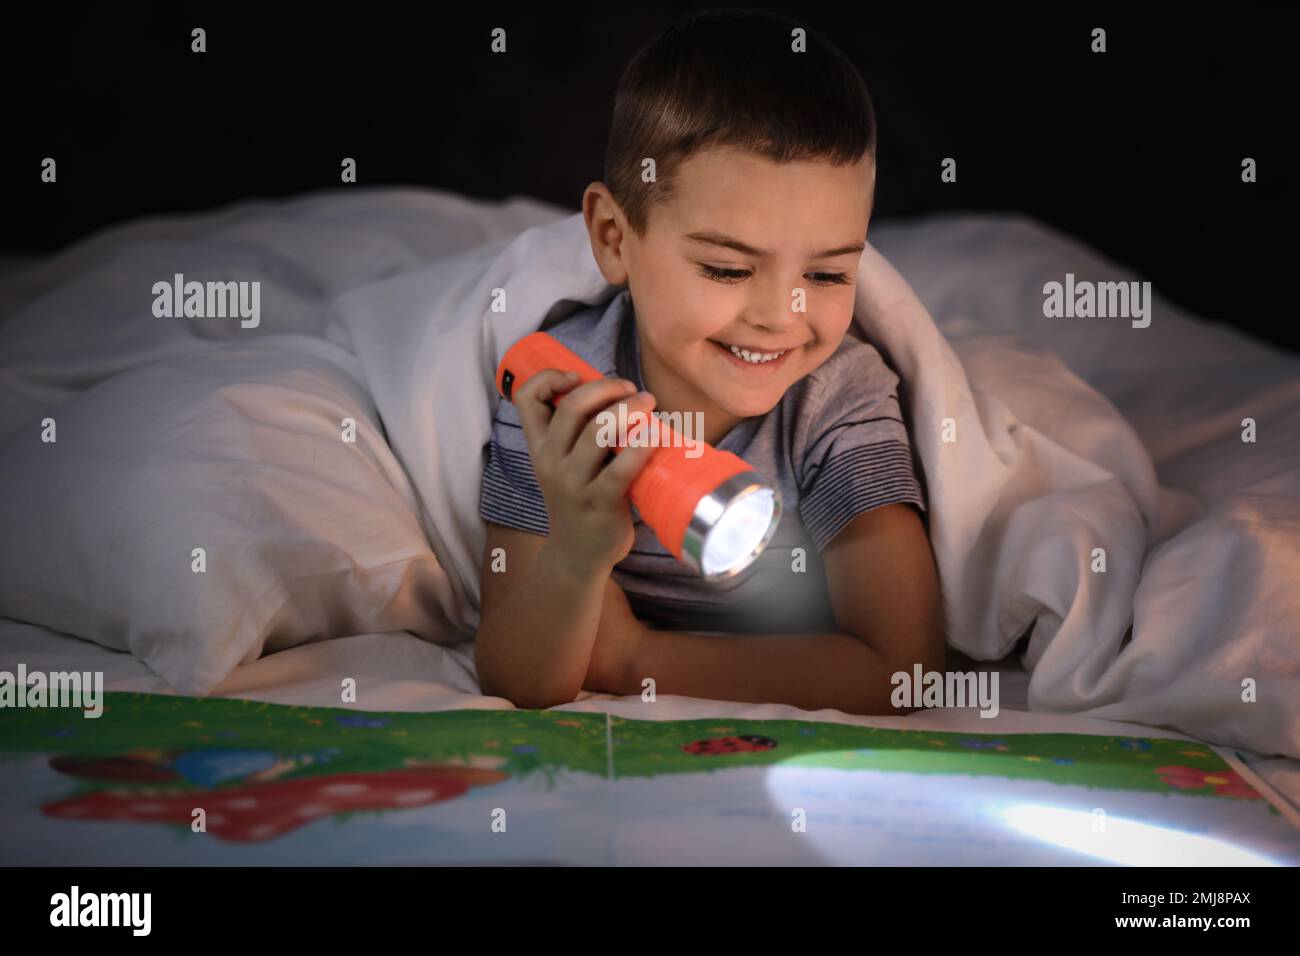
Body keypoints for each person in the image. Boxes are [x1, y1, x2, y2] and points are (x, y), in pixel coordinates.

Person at [475, 10, 945, 713]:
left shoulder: (837, 401)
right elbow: (518, 679)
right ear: (613, 238)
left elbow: (905, 672)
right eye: (728, 269)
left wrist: (636, 660)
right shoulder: (563, 395)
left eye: (825, 275)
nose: (781, 315)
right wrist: (575, 549)